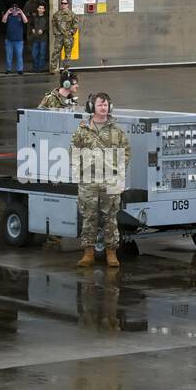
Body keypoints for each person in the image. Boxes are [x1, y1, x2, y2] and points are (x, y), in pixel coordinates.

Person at [71, 92, 130, 268]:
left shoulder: (117, 131)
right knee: (89, 217)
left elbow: (126, 153)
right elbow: (73, 152)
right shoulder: (82, 130)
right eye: (100, 105)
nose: (103, 108)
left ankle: (111, 253)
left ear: (109, 107)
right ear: (92, 108)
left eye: (106, 105)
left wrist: (118, 173)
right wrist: (79, 173)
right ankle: (88, 253)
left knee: (111, 218)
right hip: (88, 181)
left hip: (110, 181)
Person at [50, 0, 79, 74]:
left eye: (65, 3)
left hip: (68, 37)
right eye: (62, 3)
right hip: (59, 37)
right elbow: (53, 24)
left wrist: (71, 32)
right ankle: (53, 68)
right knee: (56, 52)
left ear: (68, 4)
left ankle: (66, 69)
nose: (63, 5)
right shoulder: (56, 14)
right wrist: (56, 33)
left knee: (67, 54)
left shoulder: (72, 14)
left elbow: (75, 25)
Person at [1, 1, 28, 75]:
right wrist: (7, 12)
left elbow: (26, 21)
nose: (14, 9)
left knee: (19, 55)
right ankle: (8, 69)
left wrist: (21, 12)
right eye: (13, 8)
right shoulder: (9, 16)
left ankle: (20, 69)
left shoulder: (20, 16)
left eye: (16, 8)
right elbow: (3, 21)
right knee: (9, 56)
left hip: (19, 40)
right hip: (9, 40)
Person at [28, 2, 49, 72]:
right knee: (34, 54)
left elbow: (48, 26)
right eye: (40, 8)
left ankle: (40, 68)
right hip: (35, 38)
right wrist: (32, 29)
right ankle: (35, 67)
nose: (41, 9)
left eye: (42, 8)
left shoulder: (46, 18)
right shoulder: (34, 17)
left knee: (42, 54)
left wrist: (43, 30)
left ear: (44, 10)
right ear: (37, 9)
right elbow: (30, 25)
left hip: (43, 38)